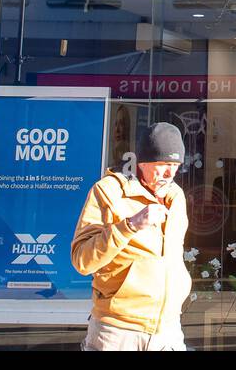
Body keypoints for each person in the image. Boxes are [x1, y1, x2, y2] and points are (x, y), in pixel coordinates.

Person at [71, 122, 191, 351]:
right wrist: (130, 226)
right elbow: (82, 260)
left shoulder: (176, 196)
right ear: (143, 162)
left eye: (176, 165)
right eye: (164, 165)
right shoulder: (109, 191)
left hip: (169, 328)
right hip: (118, 329)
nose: (170, 173)